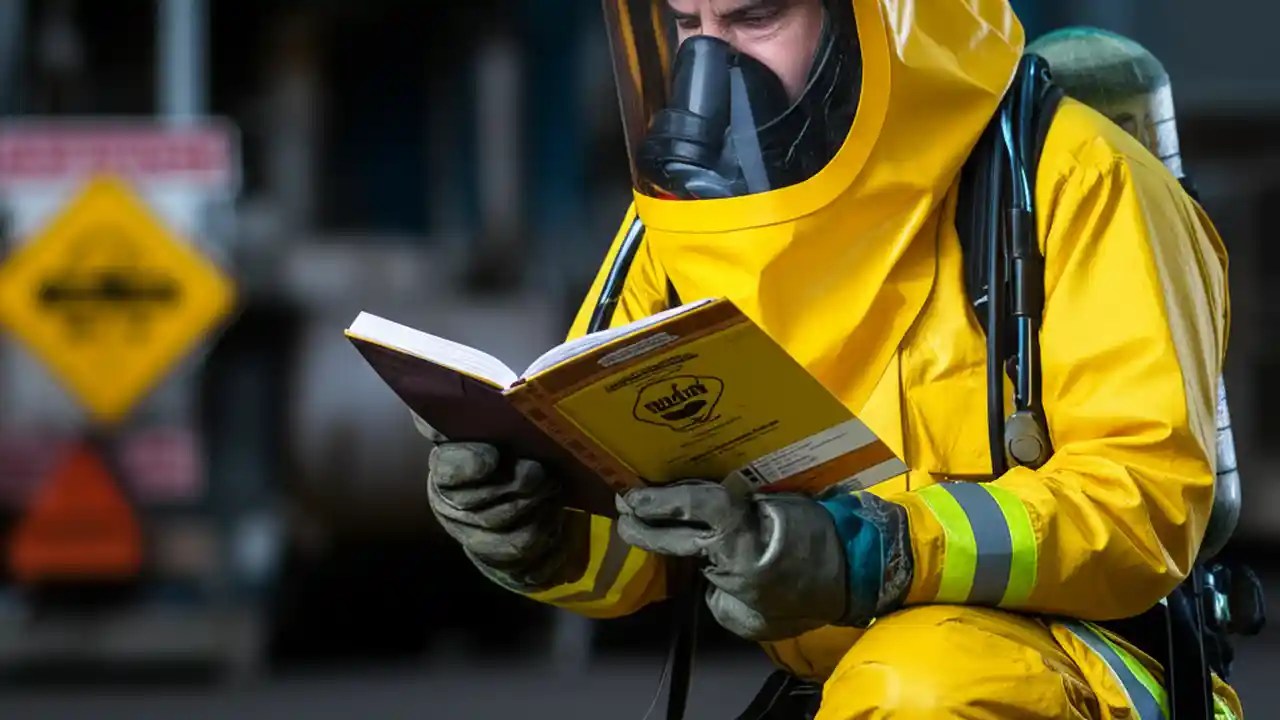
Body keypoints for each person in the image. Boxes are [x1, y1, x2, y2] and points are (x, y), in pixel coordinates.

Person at [420, 0, 1244, 717]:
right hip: (853, 689)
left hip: (1086, 672)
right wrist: (543, 530)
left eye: (754, 19)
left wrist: (874, 550)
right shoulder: (684, 225)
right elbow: (654, 537)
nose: (708, 67)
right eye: (686, 25)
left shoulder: (1078, 182)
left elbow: (1145, 504)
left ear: (880, 17)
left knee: (923, 685)